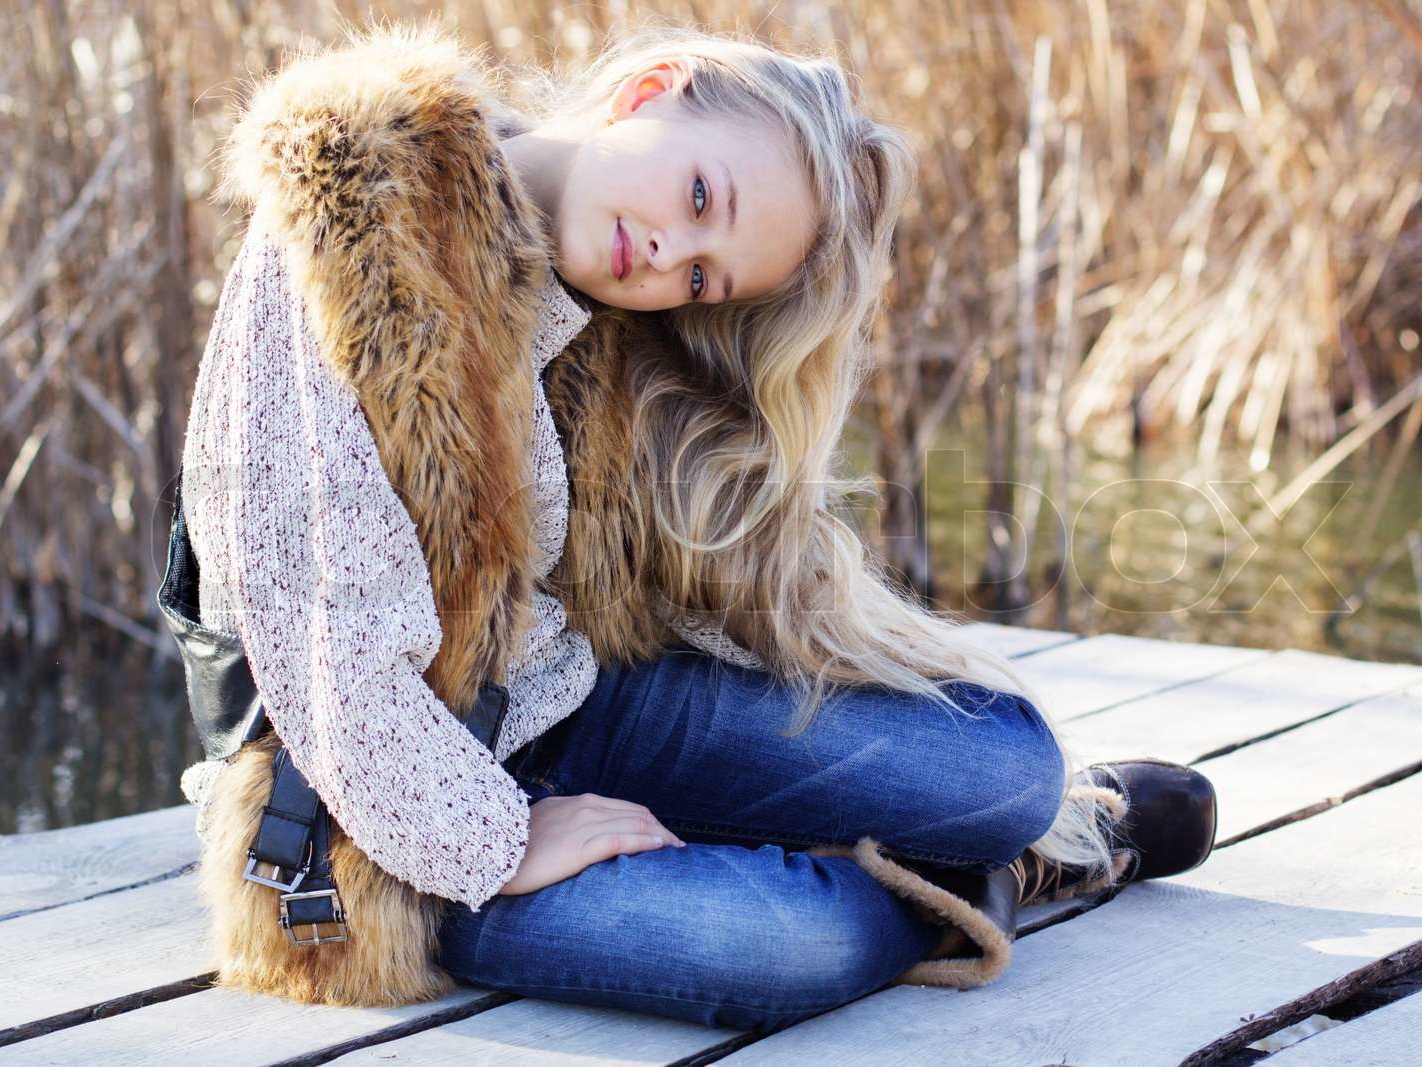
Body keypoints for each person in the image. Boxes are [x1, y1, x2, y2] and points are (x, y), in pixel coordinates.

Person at [160, 22, 1216, 1028]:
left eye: (704, 275)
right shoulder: (348, 214)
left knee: (1008, 767)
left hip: (568, 705)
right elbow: (320, 651)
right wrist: (503, 838)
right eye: (700, 193)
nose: (668, 255)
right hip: (359, 807)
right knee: (781, 941)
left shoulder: (601, 298)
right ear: (649, 93)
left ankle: (1004, 841)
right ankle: (968, 878)